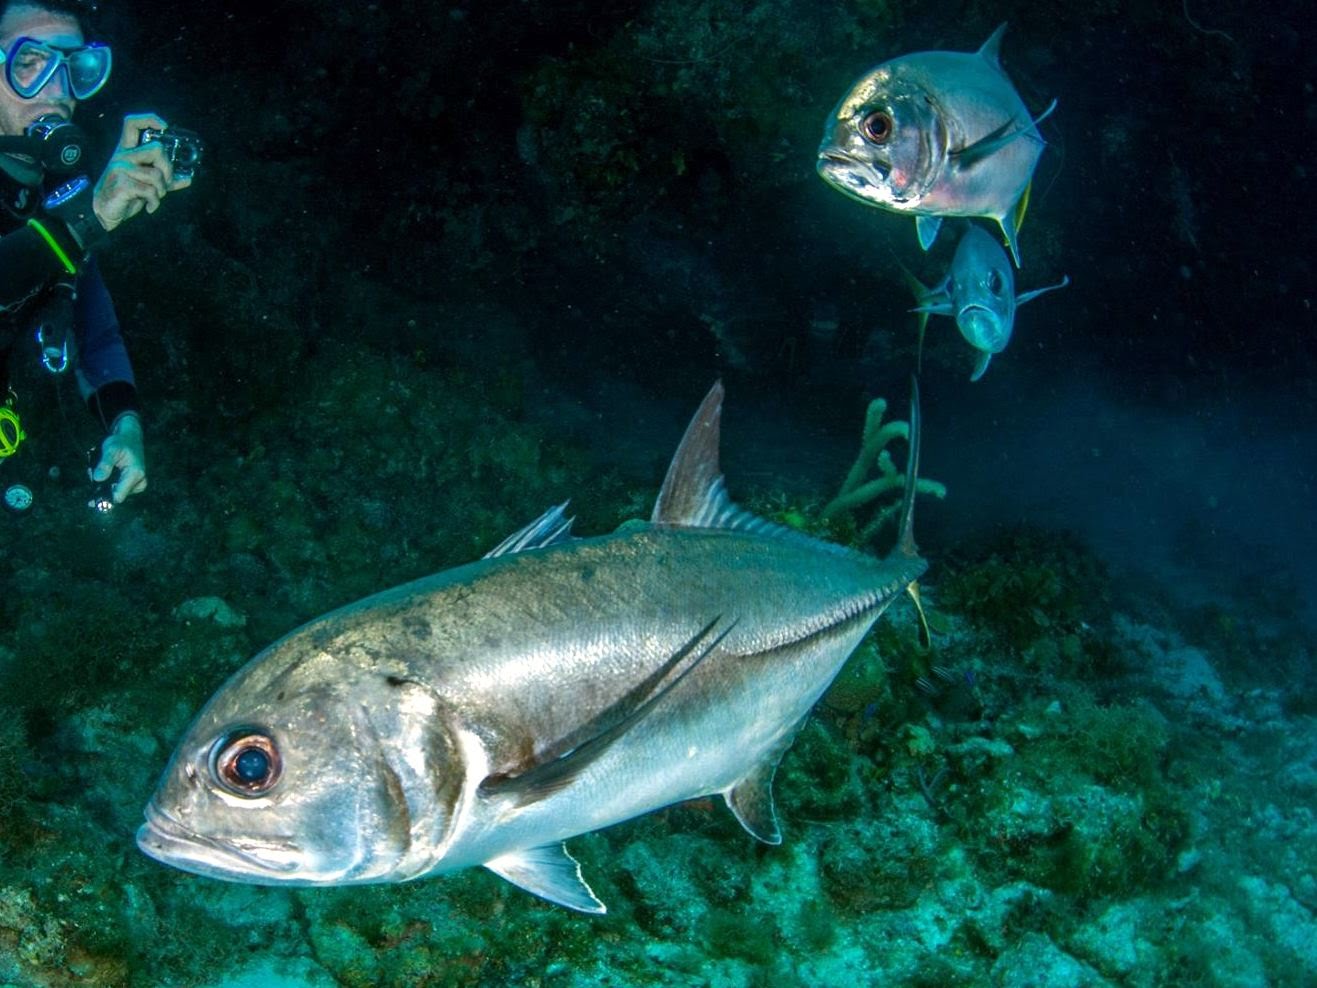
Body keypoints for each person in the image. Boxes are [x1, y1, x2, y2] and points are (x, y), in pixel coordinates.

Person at [0, 0, 189, 505]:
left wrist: (123, 423)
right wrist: (93, 216)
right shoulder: (73, 213)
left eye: (75, 70)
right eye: (28, 65)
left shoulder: (56, 193)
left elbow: (91, 322)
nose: (58, 93)